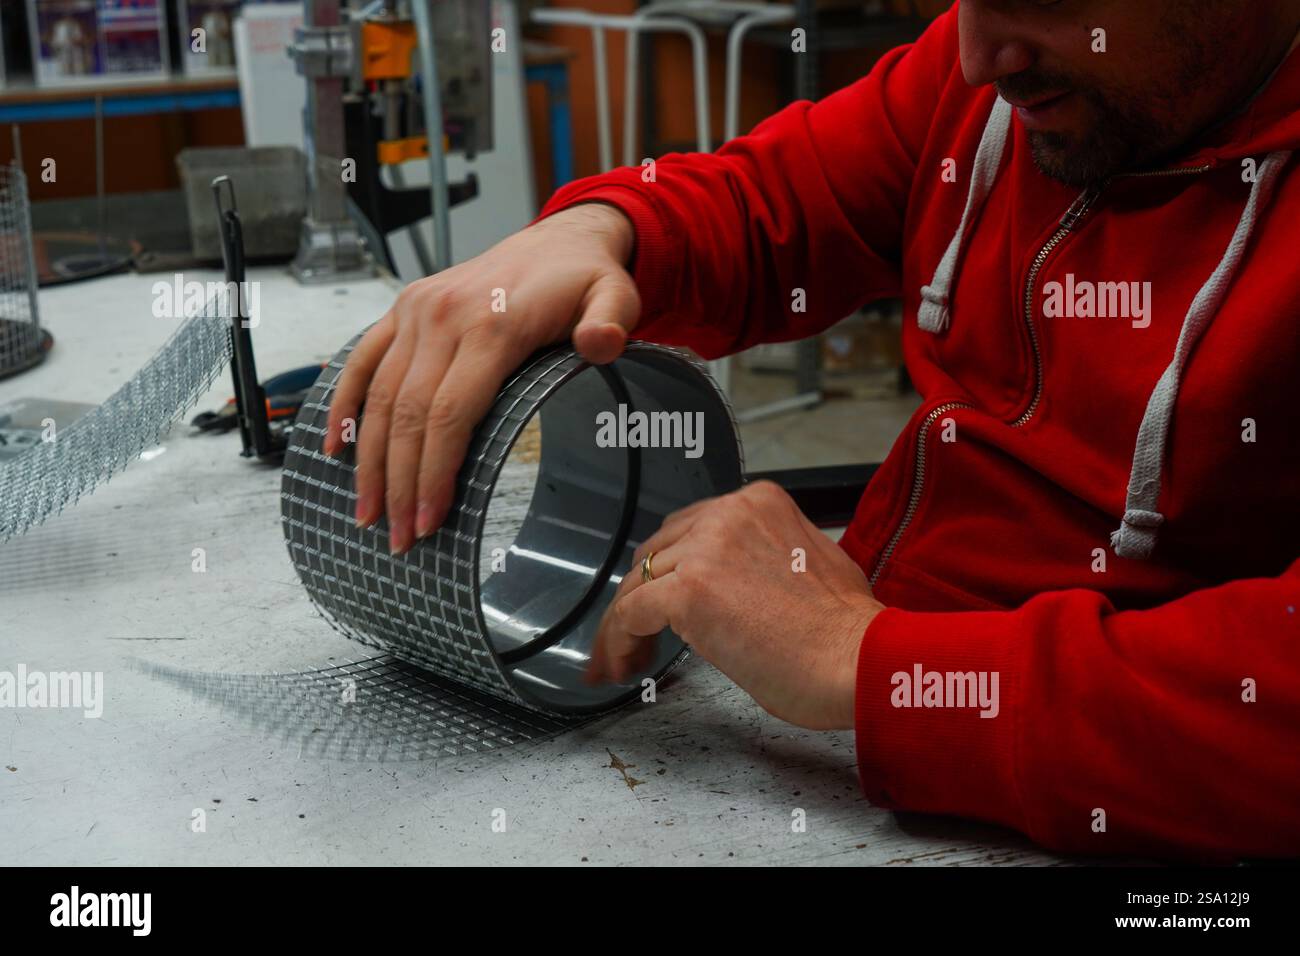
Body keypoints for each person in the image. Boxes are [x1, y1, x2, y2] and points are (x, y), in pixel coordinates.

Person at [324, 0, 1300, 860]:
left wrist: (869, 661)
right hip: (854, 737)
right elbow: (772, 203)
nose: (972, 57)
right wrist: (601, 230)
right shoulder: (998, 82)